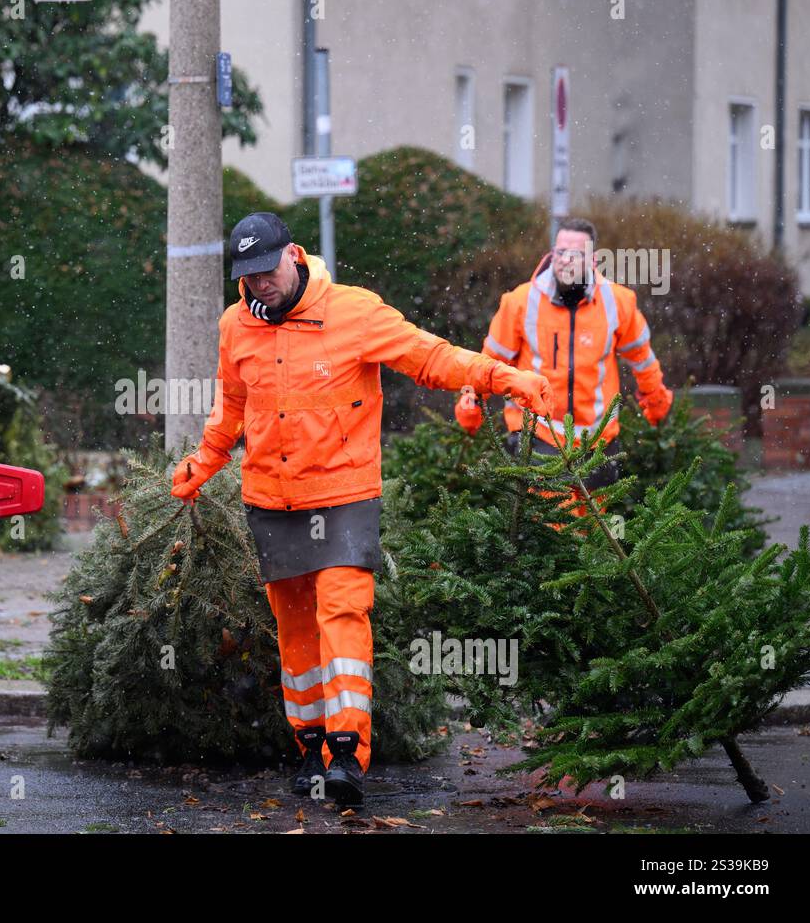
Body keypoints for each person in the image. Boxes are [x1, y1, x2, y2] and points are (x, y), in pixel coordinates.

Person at [169, 212, 554, 806]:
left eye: (267, 272)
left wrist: (502, 377)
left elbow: (432, 357)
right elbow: (233, 406)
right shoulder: (235, 325)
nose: (259, 286)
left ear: (294, 256)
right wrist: (204, 461)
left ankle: (348, 752)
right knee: (295, 631)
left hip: (346, 495)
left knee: (343, 612)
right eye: (247, 278)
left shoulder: (355, 312)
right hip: (271, 499)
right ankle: (311, 749)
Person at [456, 217, 674, 509]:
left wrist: (657, 404)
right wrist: (470, 411)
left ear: (594, 260)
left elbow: (642, 359)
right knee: (549, 528)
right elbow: (489, 363)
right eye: (561, 252)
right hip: (536, 431)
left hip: (598, 439)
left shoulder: (618, 302)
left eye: (577, 254)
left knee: (595, 531)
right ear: (551, 254)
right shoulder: (520, 302)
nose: (566, 261)